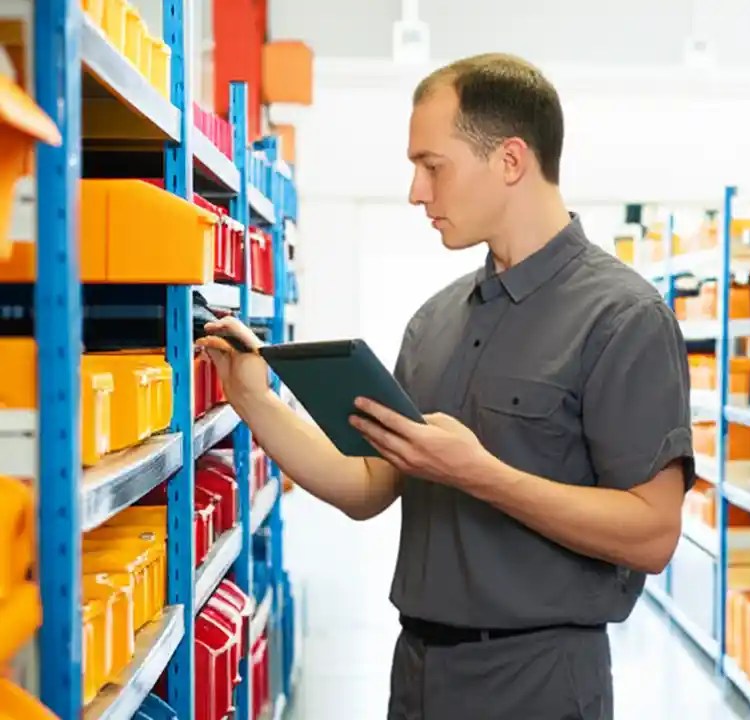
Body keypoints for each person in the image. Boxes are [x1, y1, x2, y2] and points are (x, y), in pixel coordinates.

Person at [197, 52, 693, 720]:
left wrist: (480, 474)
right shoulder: (435, 321)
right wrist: (254, 398)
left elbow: (653, 534)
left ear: (510, 160)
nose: (416, 192)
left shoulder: (623, 318)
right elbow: (368, 485)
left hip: (539, 681)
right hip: (418, 673)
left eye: (432, 166)